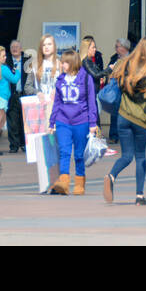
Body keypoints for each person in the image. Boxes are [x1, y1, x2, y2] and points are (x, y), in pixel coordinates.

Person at [105, 37, 146, 205]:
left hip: (123, 116)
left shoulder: (125, 63)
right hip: (141, 119)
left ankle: (111, 175)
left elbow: (116, 82)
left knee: (127, 155)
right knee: (140, 156)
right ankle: (139, 196)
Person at [46, 49, 99, 196]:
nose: (62, 65)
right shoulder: (60, 80)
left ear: (73, 63)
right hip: (63, 120)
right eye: (62, 62)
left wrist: (92, 123)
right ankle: (63, 182)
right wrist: (52, 122)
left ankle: (80, 184)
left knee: (79, 155)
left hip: (81, 121)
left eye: (65, 63)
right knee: (64, 151)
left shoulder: (86, 78)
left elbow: (91, 102)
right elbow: (57, 102)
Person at [4, 40, 28, 154]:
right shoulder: (6, 61)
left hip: (24, 94)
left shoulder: (28, 61)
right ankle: (14, 145)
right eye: (12, 47)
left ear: (21, 49)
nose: (14, 49)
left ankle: (24, 144)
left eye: (17, 47)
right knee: (12, 121)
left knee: (24, 121)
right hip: (12, 95)